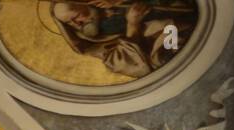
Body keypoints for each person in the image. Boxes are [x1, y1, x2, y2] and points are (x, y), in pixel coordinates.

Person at [49, 1, 198, 80]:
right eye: (69, 23)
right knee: (168, 48)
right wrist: (132, 24)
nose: (77, 24)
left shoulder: (114, 5)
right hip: (164, 45)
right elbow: (121, 62)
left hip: (184, 20)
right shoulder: (96, 41)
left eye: (75, 16)